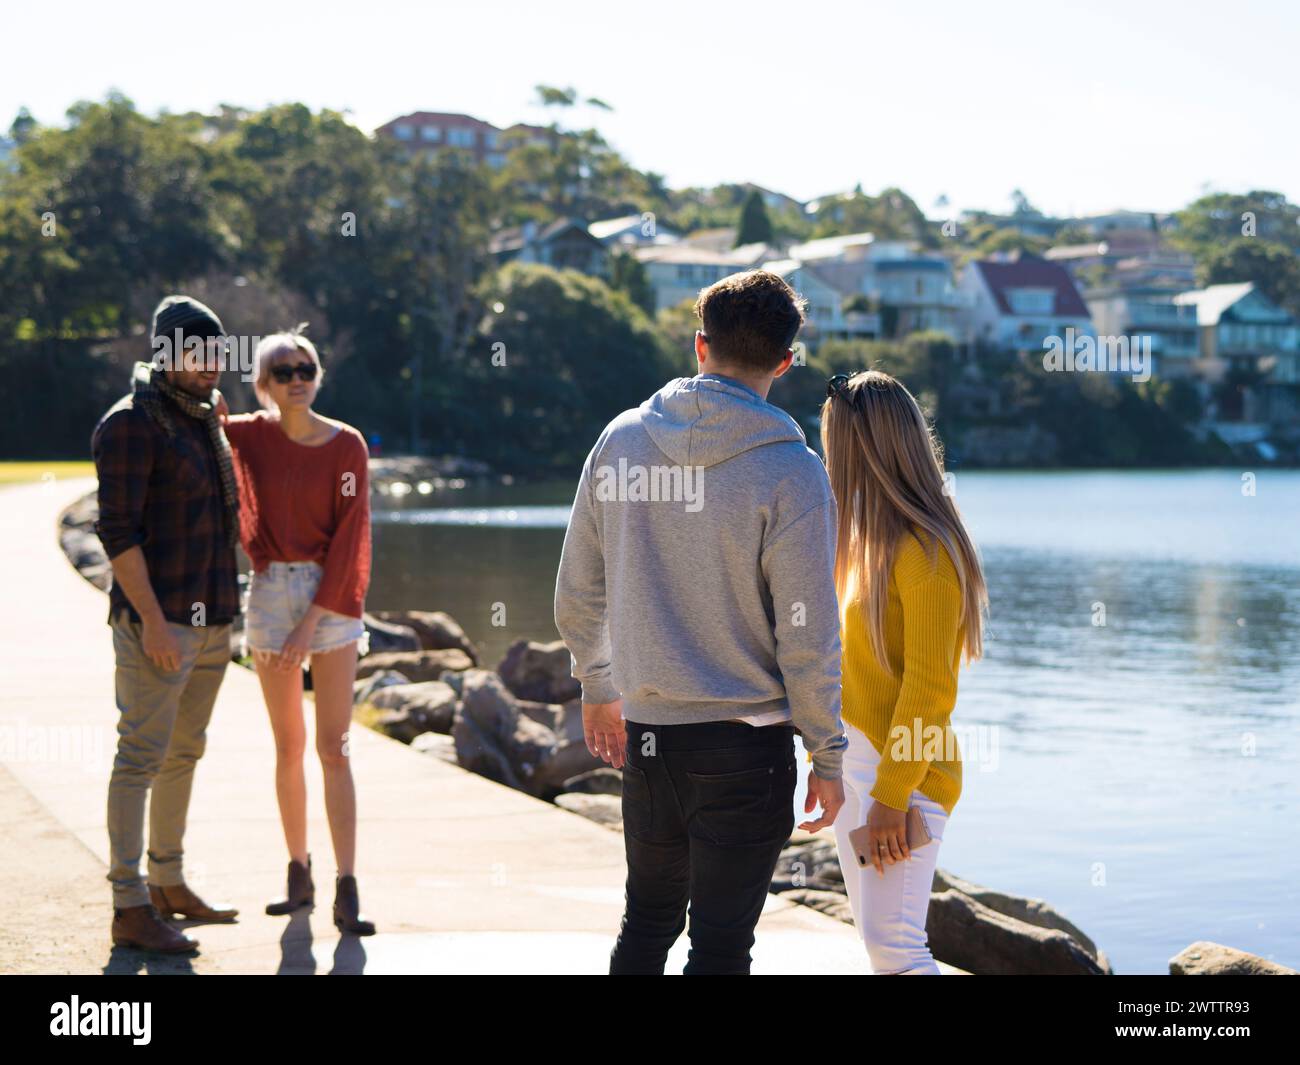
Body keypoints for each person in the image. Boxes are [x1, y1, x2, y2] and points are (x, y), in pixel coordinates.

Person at [554, 269, 847, 975]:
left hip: (649, 739)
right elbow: (807, 634)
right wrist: (827, 752)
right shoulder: (793, 470)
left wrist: (597, 684)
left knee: (645, 924)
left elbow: (576, 589)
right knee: (720, 947)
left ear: (698, 344)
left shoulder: (621, 440)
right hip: (747, 748)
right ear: (784, 361)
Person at [819, 369, 988, 974]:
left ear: (865, 451)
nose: (827, 459)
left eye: (835, 445)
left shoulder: (928, 552)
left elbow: (930, 691)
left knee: (896, 949)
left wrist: (891, 798)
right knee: (877, 943)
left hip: (906, 778)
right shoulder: (870, 546)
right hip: (860, 769)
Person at [92, 294, 241, 954]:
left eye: (216, 352)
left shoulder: (203, 419)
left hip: (211, 620)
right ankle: (129, 904)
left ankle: (170, 883)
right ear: (164, 353)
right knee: (140, 758)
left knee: (184, 752)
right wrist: (152, 620)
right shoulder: (130, 424)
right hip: (161, 623)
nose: (210, 363)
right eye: (196, 352)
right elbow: (117, 533)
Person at [216, 326, 376, 935]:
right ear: (264, 383)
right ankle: (297, 873)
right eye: (283, 371)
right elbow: (204, 425)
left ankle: (348, 887)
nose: (297, 378)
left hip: (330, 602)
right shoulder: (251, 438)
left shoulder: (347, 447)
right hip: (268, 595)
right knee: (286, 746)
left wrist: (312, 620)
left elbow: (352, 536)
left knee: (333, 747)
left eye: (305, 367)